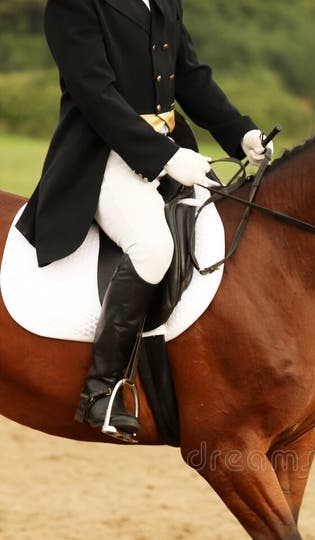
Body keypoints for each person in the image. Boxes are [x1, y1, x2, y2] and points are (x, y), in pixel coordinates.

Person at [17, 0, 273, 441]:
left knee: (228, 225)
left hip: (168, 152)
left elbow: (189, 76)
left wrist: (240, 132)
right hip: (101, 156)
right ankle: (101, 389)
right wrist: (165, 157)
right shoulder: (74, 4)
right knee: (153, 248)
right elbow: (94, 94)